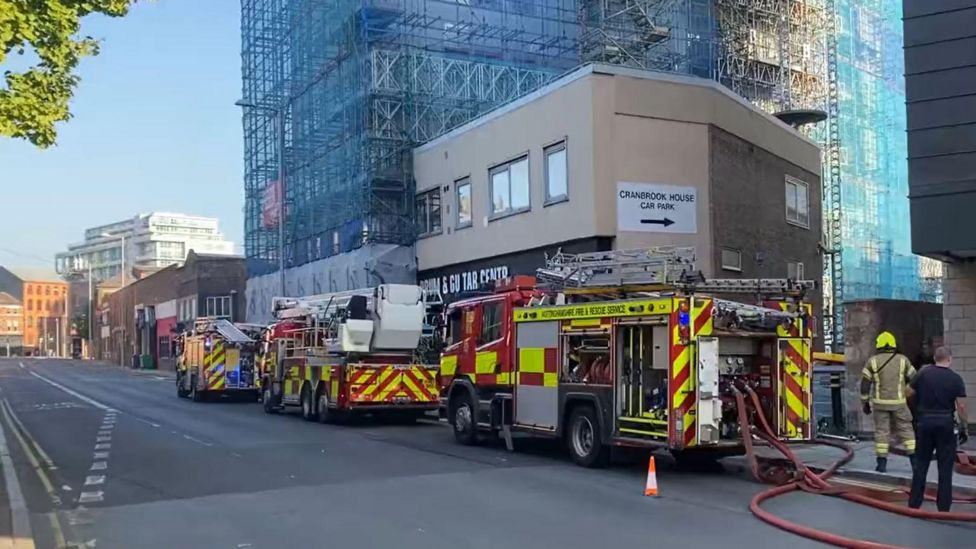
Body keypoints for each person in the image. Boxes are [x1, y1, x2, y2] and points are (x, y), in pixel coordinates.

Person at [908, 346, 968, 512]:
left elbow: (908, 393)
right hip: (945, 423)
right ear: (949, 359)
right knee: (945, 467)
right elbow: (961, 406)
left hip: (925, 422)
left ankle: (914, 504)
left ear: (935, 358)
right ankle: (943, 507)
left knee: (921, 465)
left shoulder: (923, 374)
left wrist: (917, 411)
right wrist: (964, 427)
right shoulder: (955, 379)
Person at [860, 331, 916, 473]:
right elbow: (915, 378)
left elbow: (865, 384)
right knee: (906, 430)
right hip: (899, 403)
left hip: (880, 404)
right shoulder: (903, 360)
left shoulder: (872, 361)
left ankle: (882, 464)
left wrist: (865, 402)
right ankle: (915, 463)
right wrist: (909, 391)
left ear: (878, 344)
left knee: (882, 432)